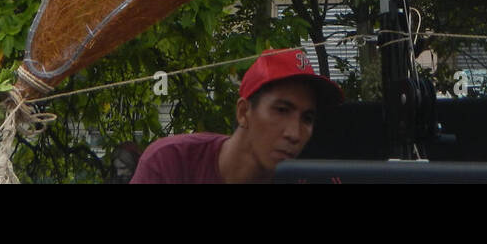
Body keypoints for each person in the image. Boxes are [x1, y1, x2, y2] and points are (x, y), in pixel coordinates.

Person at [130, 48, 343, 184]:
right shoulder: (172, 162)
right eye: (281, 110)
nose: (294, 133)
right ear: (243, 112)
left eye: (307, 118)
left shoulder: (313, 178)